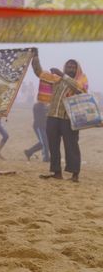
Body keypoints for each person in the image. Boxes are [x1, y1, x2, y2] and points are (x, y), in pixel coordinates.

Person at [30, 51, 87, 182]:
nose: (71, 69)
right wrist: (35, 57)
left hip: (69, 119)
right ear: (65, 67)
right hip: (52, 117)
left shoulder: (80, 80)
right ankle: (57, 172)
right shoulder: (56, 79)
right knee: (53, 146)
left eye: (73, 67)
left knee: (71, 146)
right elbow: (39, 73)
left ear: (77, 69)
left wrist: (63, 75)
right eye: (69, 66)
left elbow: (79, 90)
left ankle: (75, 175)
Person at [24, 80, 52, 163]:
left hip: (43, 126)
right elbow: (43, 113)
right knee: (44, 142)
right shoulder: (37, 106)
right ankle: (46, 158)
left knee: (44, 142)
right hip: (39, 126)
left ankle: (29, 152)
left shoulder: (44, 106)